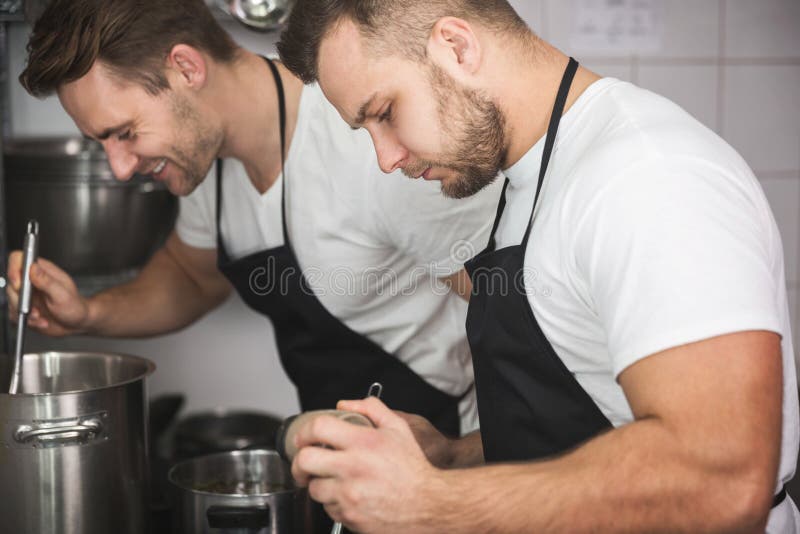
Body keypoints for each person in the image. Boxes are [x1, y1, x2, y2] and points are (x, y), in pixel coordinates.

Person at [275, 1, 800, 532]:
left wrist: (434, 501)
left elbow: (721, 478)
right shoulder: (531, 176)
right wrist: (451, 458)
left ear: (457, 47)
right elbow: (592, 423)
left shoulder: (649, 175)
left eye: (384, 112)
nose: (386, 158)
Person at [6, 0, 502, 446]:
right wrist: (87, 315)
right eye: (104, 143)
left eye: (126, 133)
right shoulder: (203, 163)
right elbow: (190, 276)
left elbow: (507, 311)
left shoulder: (367, 142)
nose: (119, 167)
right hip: (342, 453)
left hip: (441, 446)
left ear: (185, 67)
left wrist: (475, 465)